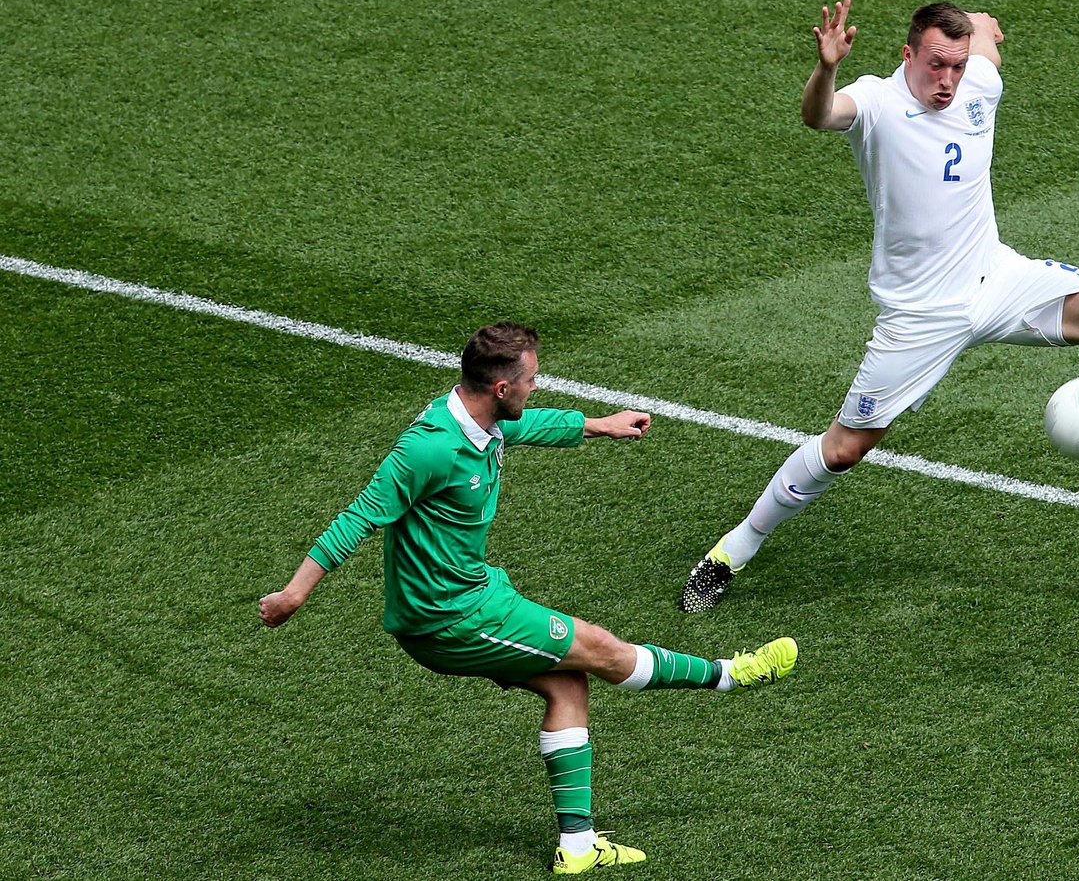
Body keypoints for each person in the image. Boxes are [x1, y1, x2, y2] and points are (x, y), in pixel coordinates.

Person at [680, 0, 1079, 613]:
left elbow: (984, 26)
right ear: (907, 55)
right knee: (846, 449)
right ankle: (731, 551)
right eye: (936, 63)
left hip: (998, 278)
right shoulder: (877, 102)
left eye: (957, 65)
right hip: (921, 316)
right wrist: (825, 70)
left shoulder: (978, 85)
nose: (948, 78)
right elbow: (817, 116)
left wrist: (979, 28)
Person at [260, 321, 797, 875]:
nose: (535, 387)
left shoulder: (476, 419)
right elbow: (359, 516)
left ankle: (579, 845)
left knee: (567, 683)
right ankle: (732, 674)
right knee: (604, 651)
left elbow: (522, 427)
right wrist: (293, 595)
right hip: (451, 618)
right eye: (531, 379)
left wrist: (598, 425)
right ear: (500, 388)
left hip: (473, 595)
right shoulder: (429, 450)